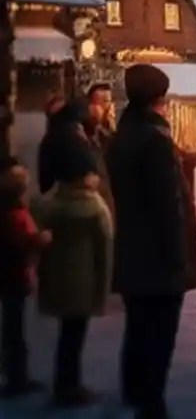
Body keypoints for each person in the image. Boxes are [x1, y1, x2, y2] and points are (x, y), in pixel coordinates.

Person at [109, 64, 196, 419]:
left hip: (133, 250)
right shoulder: (155, 141)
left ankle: (134, 391)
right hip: (158, 258)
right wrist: (178, 256)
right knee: (159, 335)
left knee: (137, 328)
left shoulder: (123, 136)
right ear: (157, 99)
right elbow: (167, 205)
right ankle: (151, 404)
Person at [33, 149, 113, 407]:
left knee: (66, 335)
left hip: (57, 278)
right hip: (84, 280)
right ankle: (70, 387)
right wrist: (104, 291)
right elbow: (105, 248)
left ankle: (62, 383)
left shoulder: (45, 204)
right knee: (75, 337)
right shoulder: (94, 208)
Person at [0, 160, 51, 398]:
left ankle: (15, 373)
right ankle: (16, 377)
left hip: (12, 272)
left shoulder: (11, 207)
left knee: (13, 327)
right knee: (14, 328)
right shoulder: (11, 211)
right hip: (13, 274)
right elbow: (20, 241)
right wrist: (40, 239)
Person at [84, 83, 116, 217]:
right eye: (103, 102)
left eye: (108, 102)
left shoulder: (107, 130)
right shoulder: (86, 133)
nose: (108, 108)